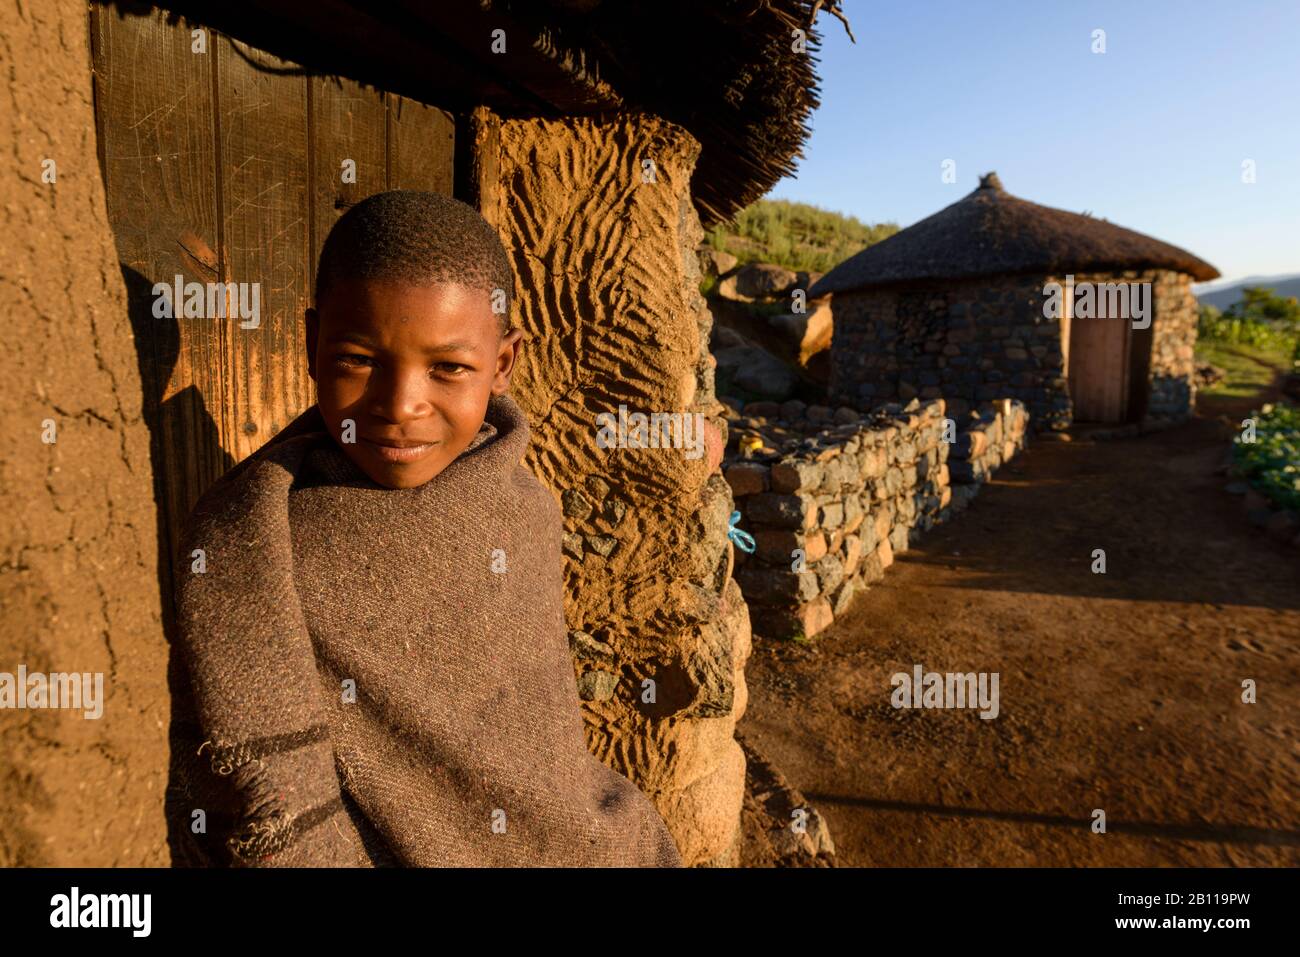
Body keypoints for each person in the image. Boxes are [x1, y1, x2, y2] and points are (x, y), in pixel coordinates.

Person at [167, 190, 683, 868]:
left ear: (501, 365)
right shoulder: (258, 544)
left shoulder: (523, 512)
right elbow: (269, 803)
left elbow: (539, 746)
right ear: (312, 343)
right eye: (359, 358)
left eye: (449, 368)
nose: (400, 403)